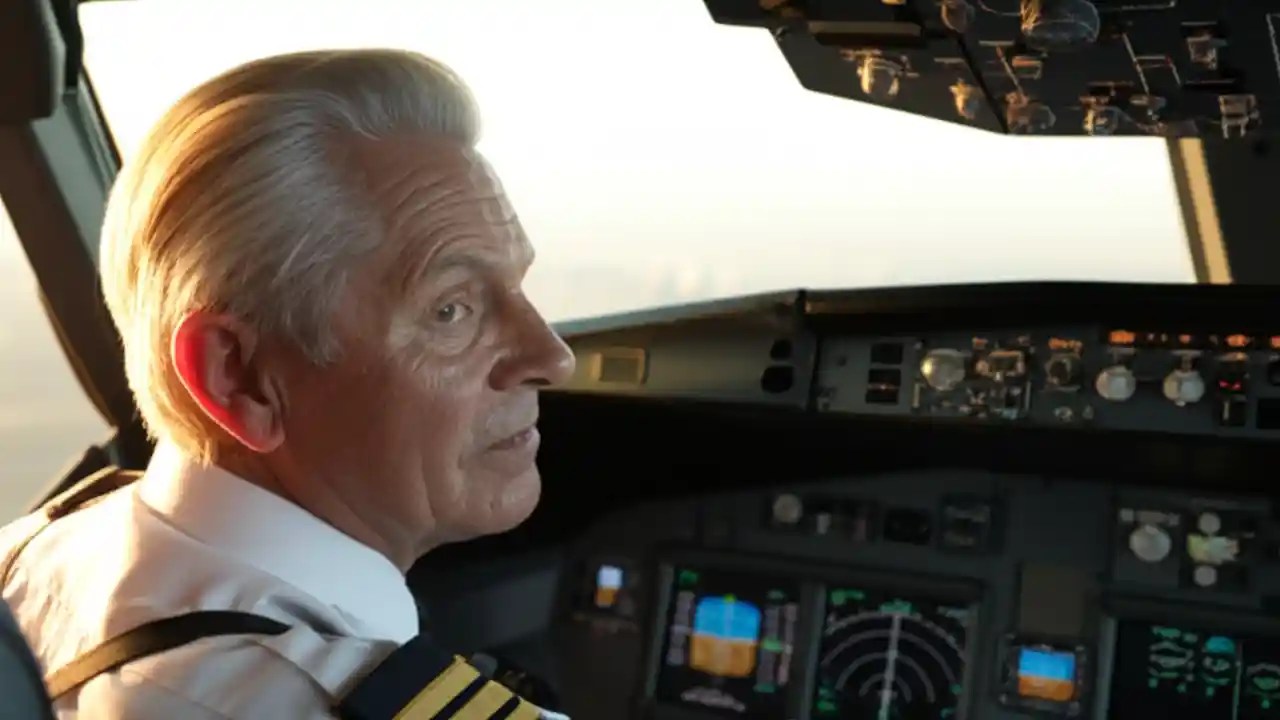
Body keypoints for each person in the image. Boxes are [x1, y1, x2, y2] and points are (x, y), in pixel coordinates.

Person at [0, 48, 576, 718]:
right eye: (451, 311)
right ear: (239, 378)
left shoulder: (29, 554)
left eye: (518, 286)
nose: (552, 357)